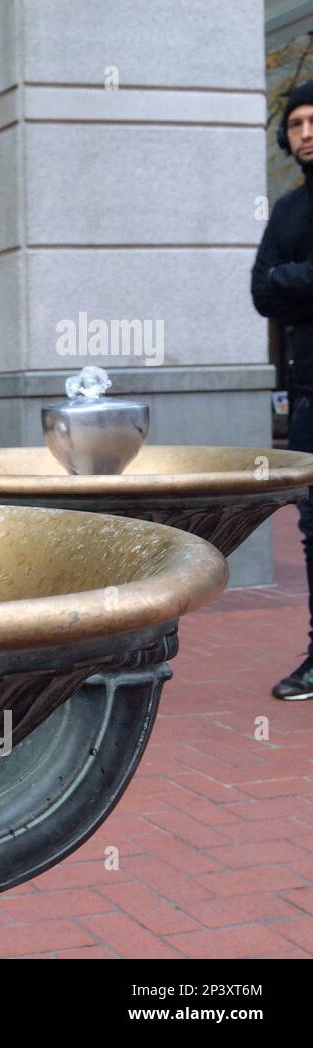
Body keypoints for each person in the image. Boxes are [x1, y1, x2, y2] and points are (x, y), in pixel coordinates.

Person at [252, 77, 313, 700]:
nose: (306, 133)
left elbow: (279, 283)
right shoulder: (289, 211)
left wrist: (291, 278)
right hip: (308, 393)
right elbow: (260, 292)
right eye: (296, 124)